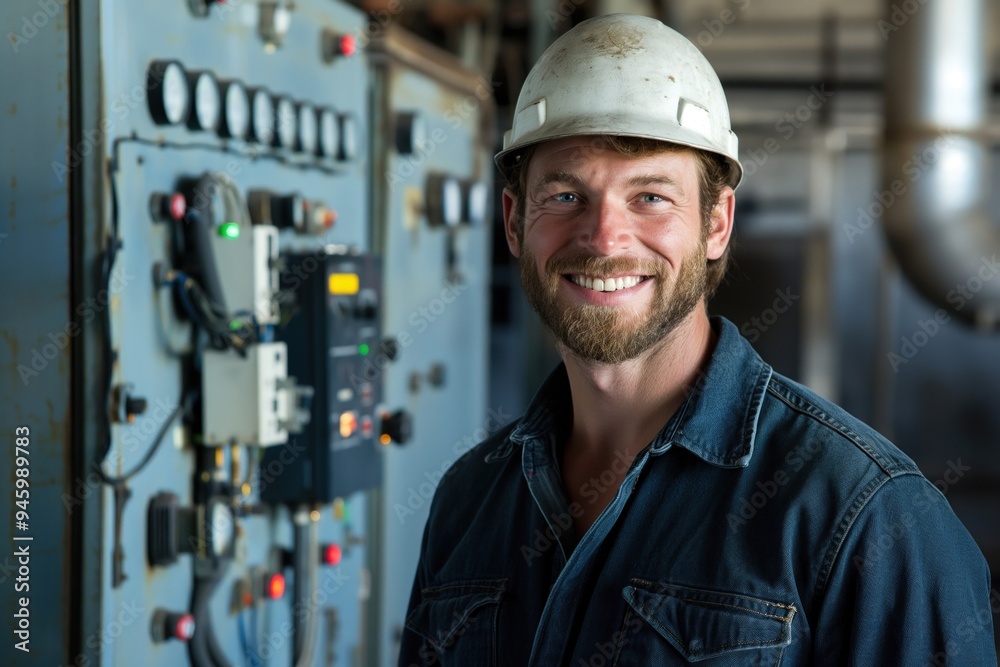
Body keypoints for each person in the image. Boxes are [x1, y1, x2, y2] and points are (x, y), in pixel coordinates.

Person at [397, 13, 997, 666]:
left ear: (716, 224)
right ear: (514, 222)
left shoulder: (869, 517)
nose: (604, 239)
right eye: (566, 195)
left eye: (650, 197)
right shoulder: (468, 501)